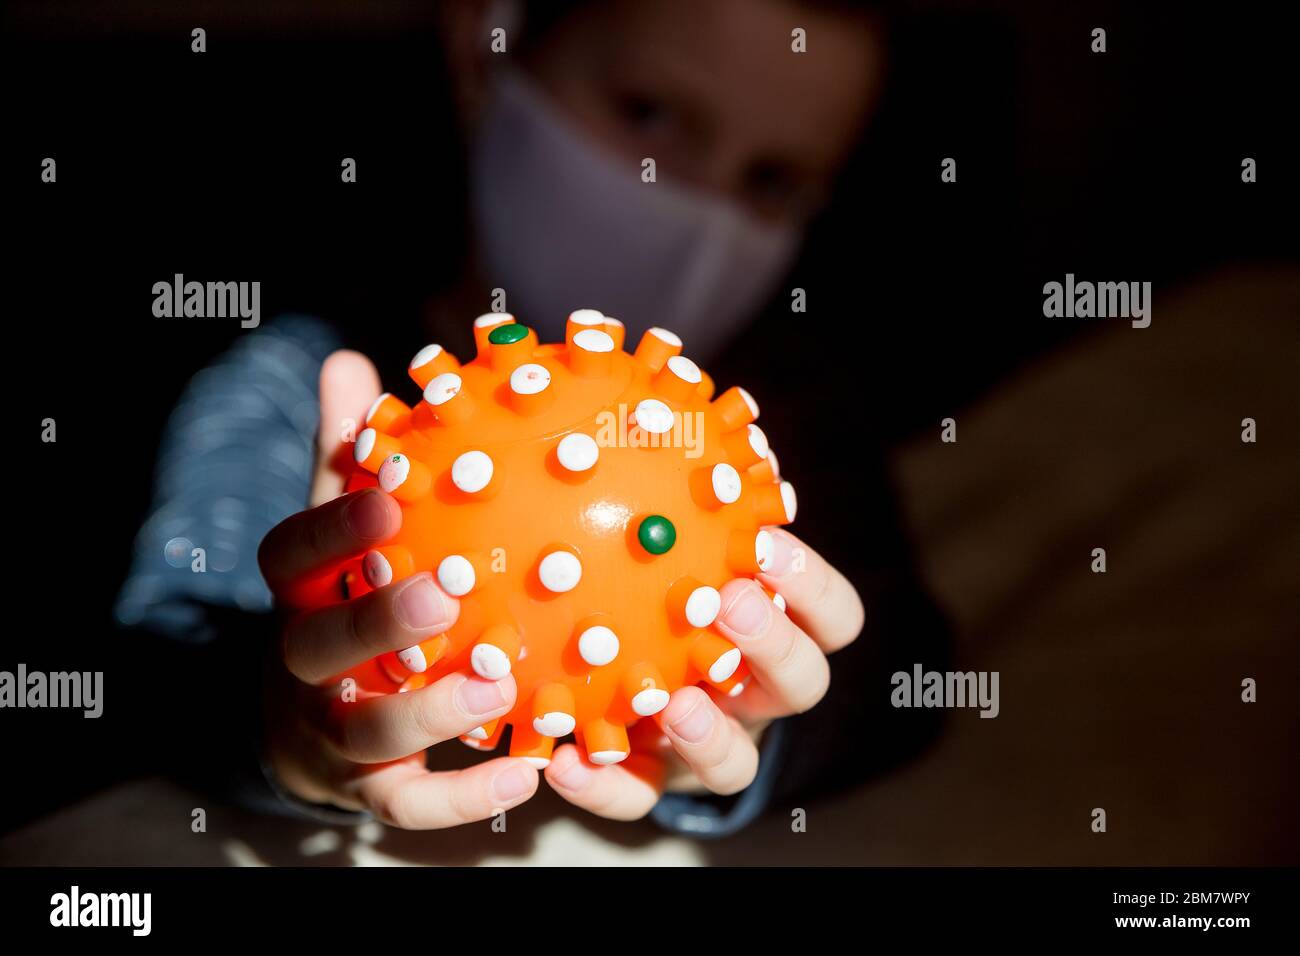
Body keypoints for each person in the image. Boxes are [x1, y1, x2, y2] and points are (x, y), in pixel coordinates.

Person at [116, 0, 950, 838]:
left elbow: (909, 670)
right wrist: (288, 727)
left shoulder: (790, 410)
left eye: (771, 179)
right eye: (648, 112)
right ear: (484, 46)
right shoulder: (293, 388)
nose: (693, 202)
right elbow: (156, 670)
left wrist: (755, 728)